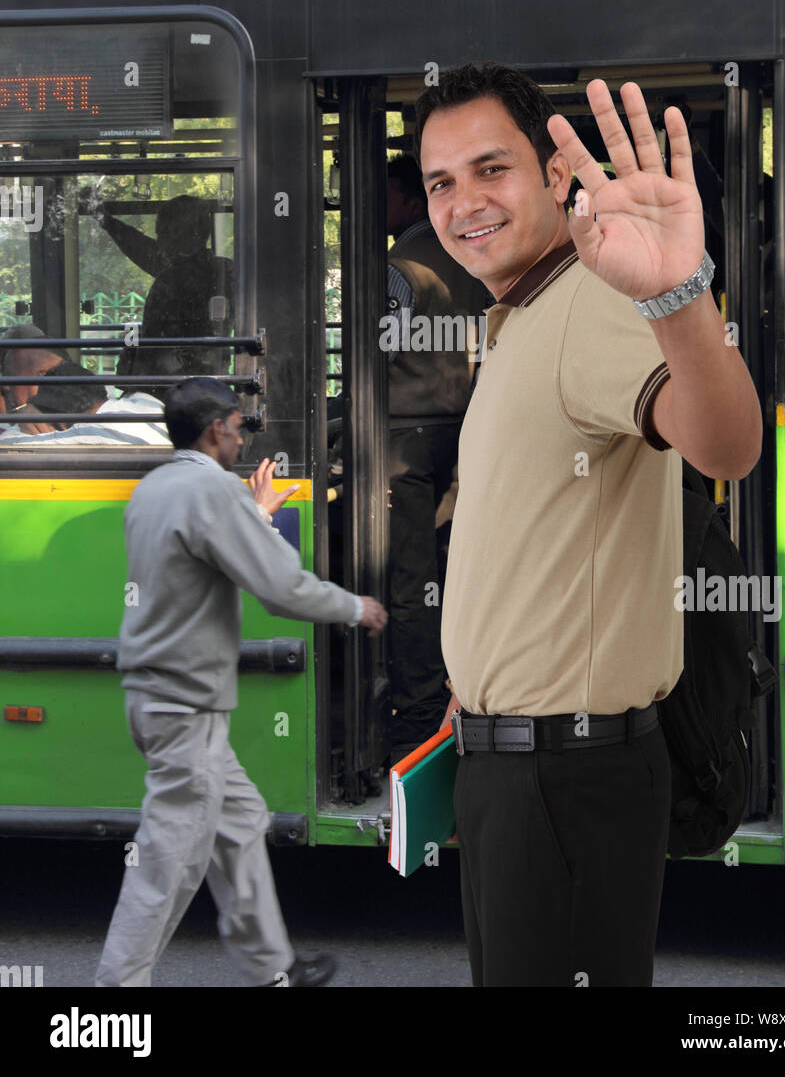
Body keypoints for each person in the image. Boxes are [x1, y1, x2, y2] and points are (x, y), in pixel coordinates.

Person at [416, 63, 762, 988]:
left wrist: (677, 295)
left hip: (562, 779)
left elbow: (725, 446)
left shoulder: (596, 304)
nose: (463, 203)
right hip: (520, 765)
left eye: (492, 169)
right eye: (439, 182)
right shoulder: (521, 314)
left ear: (555, 177)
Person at [95, 377, 388, 987]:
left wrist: (252, 514)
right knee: (165, 867)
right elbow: (280, 590)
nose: (242, 434)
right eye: (237, 424)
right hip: (185, 707)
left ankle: (271, 970)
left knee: (241, 823)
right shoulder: (211, 491)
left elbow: (198, 556)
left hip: (158, 698)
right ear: (214, 431)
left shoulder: (156, 489)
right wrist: (355, 608)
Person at [384, 155, 491, 760]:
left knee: (409, 576)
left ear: (404, 199)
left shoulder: (402, 266)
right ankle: (461, 681)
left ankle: (419, 708)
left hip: (403, 438)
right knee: (453, 569)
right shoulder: (473, 251)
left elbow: (381, 349)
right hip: (463, 425)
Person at [86, 193, 234, 377]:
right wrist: (105, 220)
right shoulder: (225, 270)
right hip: (212, 378)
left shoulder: (171, 278)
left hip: (171, 381)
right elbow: (138, 246)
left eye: (162, 234)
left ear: (181, 236)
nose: (160, 243)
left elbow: (152, 344)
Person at [0, 363, 167, 445]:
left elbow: (10, 444)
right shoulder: (142, 401)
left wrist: (25, 415)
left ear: (60, 424)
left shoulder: (89, 432)